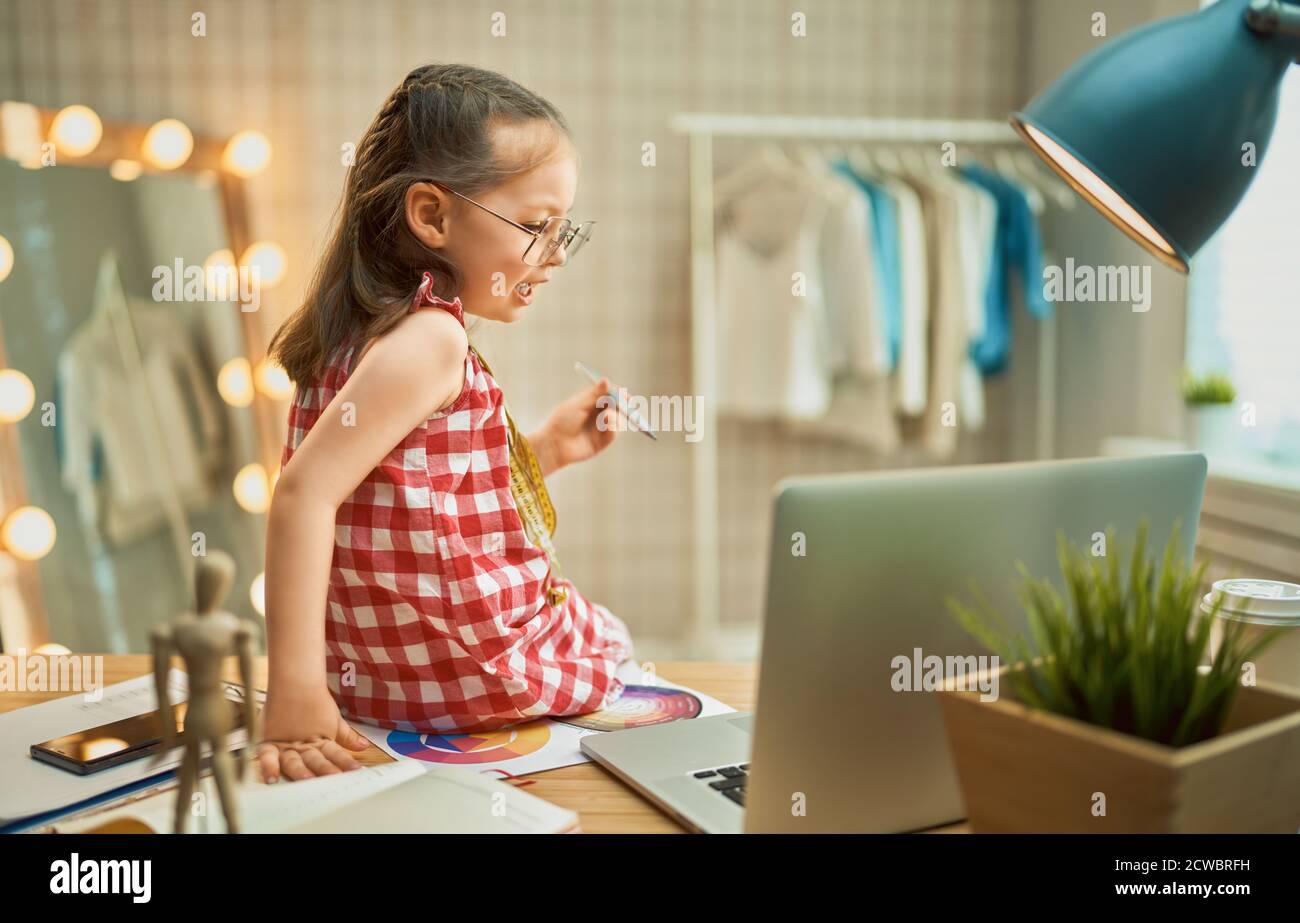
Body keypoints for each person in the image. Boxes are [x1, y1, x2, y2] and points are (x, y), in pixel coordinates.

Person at [257, 63, 634, 783]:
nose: (555, 256)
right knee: (610, 641)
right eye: (533, 226)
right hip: (467, 670)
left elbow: (411, 503)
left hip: (373, 675)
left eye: (565, 230)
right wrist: (294, 695)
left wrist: (548, 447)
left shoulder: (360, 332)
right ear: (431, 216)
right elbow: (304, 496)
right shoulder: (436, 339)